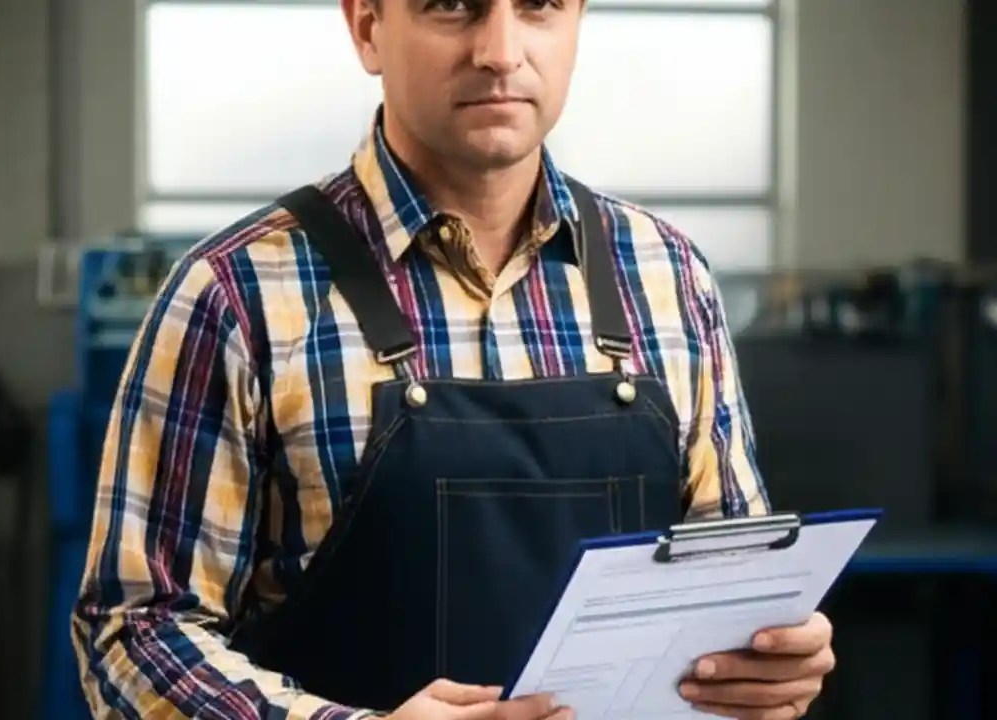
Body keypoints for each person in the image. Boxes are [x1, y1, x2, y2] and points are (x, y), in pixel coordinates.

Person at [71, 0, 838, 718]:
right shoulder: (235, 295)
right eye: (452, 5)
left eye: (539, 5)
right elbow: (133, 633)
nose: (501, 53)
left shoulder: (667, 277)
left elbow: (735, 580)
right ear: (368, 25)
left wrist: (770, 656)